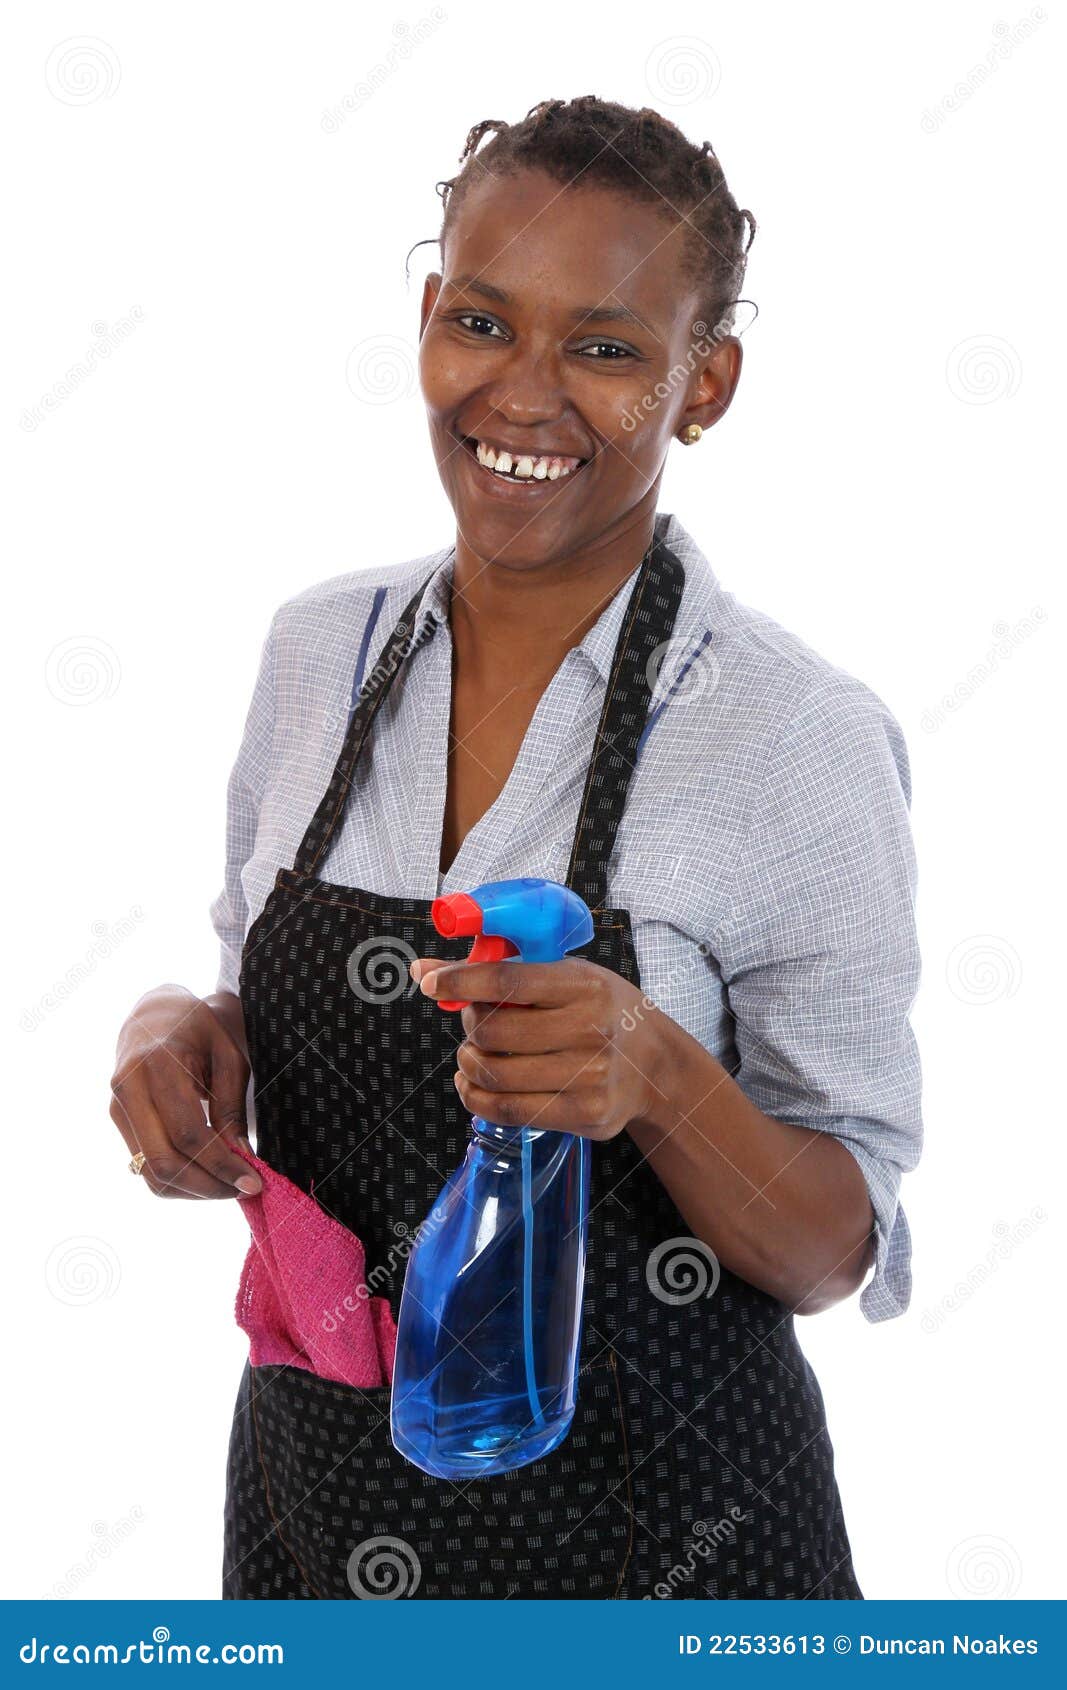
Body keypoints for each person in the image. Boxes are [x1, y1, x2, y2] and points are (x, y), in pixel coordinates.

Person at [109, 96, 922, 1600]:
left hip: (670, 1561)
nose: (524, 394)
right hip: (320, 1532)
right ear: (428, 318)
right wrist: (182, 1027)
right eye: (484, 320)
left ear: (705, 383)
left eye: (607, 348)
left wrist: (660, 1073)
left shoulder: (791, 733)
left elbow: (833, 1247)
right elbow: (254, 986)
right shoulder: (315, 654)